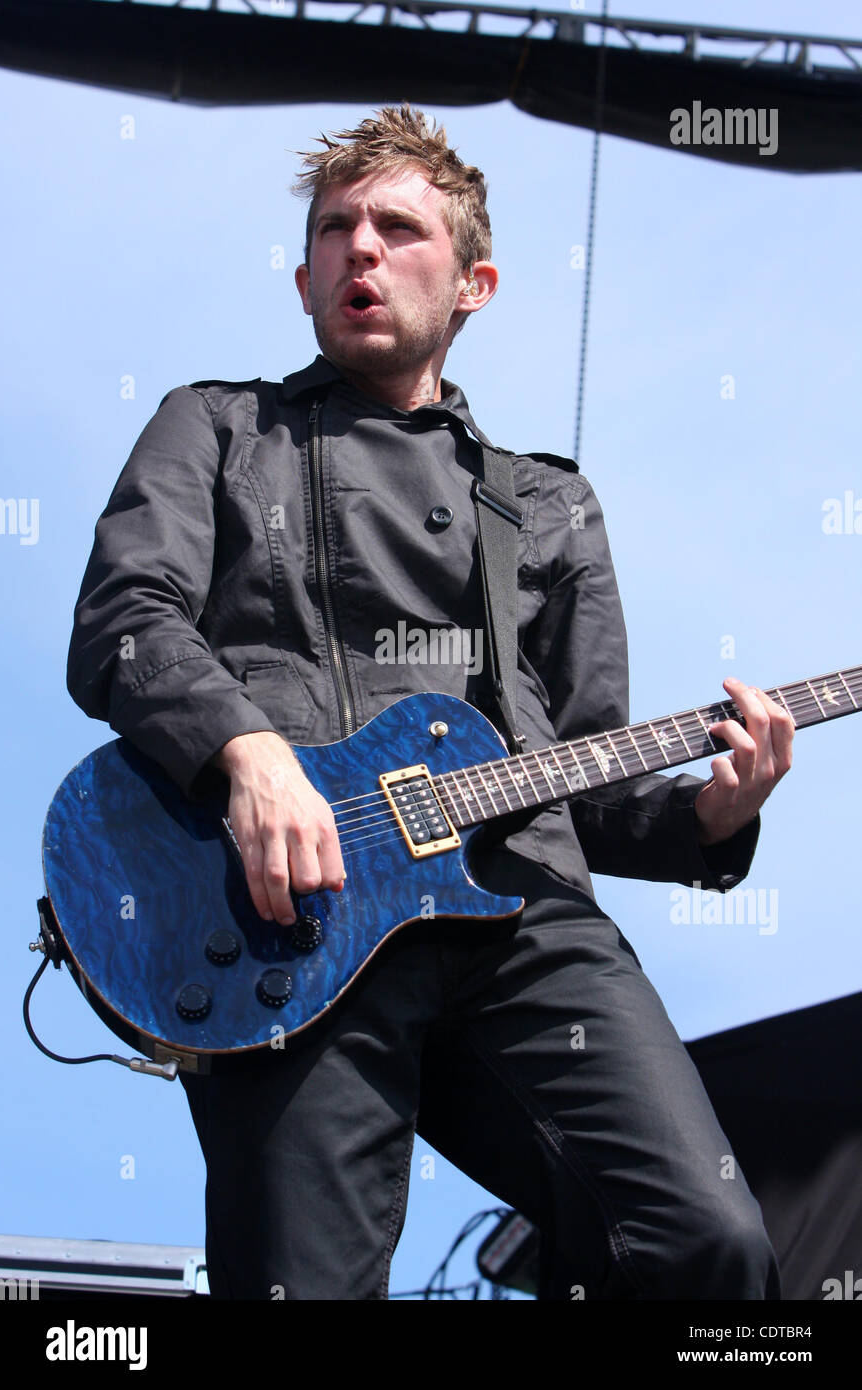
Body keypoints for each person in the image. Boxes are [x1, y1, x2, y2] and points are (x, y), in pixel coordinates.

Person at [66, 103, 794, 1300]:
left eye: (397, 228)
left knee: (706, 1247)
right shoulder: (212, 426)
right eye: (334, 229)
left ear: (473, 284)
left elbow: (593, 774)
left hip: (524, 922)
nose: (360, 248)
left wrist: (713, 821)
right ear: (301, 277)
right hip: (283, 916)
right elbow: (123, 624)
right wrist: (249, 756)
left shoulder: (545, 505)